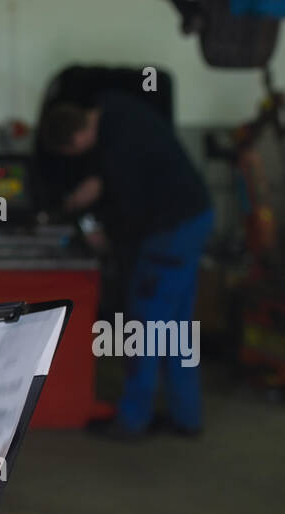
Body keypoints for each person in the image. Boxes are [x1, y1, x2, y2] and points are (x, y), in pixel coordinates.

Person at [39, 89, 215, 440]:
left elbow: (130, 211)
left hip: (169, 233)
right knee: (176, 327)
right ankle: (187, 416)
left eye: (74, 151)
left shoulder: (117, 149)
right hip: (196, 218)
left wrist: (103, 237)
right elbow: (116, 171)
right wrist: (93, 188)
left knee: (146, 329)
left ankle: (132, 420)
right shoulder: (115, 109)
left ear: (76, 137)